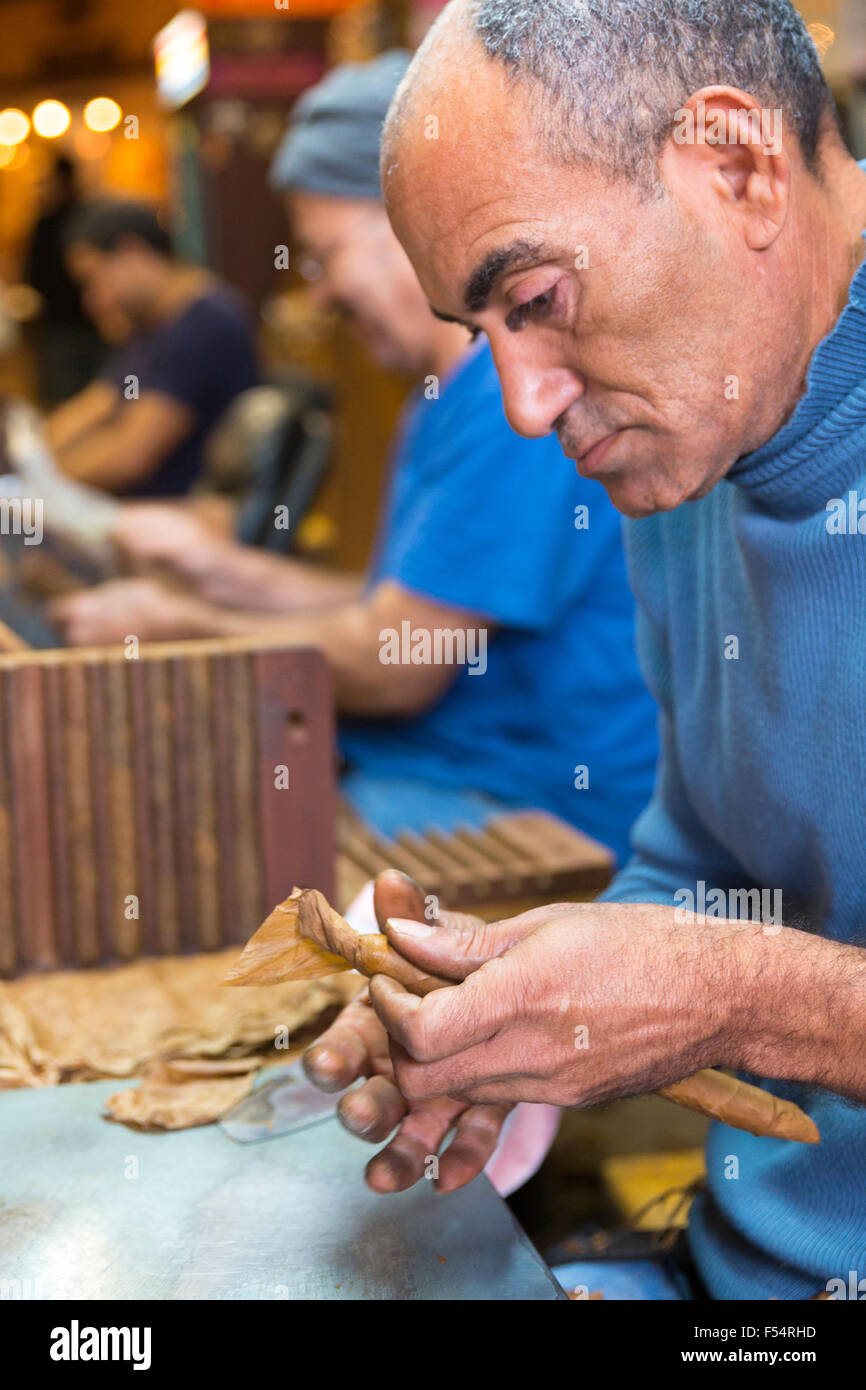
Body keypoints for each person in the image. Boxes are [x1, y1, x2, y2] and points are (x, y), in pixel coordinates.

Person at [296, 1, 866, 1301]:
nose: (522, 402)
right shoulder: (688, 448)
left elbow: (737, 968)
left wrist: (742, 999)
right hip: (748, 1268)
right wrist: (508, 1011)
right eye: (477, 331)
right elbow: (705, 859)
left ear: (736, 164)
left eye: (537, 297)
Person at [52, 53, 658, 863]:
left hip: (522, 815)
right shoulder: (442, 396)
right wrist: (226, 572)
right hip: (440, 779)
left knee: (135, 838)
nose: (322, 293)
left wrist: (184, 624)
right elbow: (395, 609)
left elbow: (395, 664)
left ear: (413, 224)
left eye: (325, 253)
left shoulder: (512, 395)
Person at [43, 198, 258, 497]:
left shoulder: (207, 324)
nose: (92, 300)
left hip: (179, 522)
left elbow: (129, 457)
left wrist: (36, 484)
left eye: (94, 279)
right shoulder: (153, 325)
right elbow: (97, 405)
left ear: (133, 252)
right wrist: (30, 459)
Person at [23, 155, 105, 404]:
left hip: (67, 326)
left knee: (69, 397)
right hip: (83, 325)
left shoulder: (54, 221)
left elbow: (33, 276)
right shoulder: (89, 217)